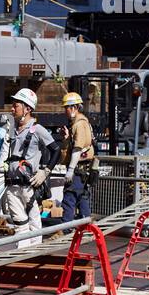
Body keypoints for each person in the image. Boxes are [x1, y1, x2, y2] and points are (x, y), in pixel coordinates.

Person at [2, 88, 54, 242]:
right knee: (19, 225)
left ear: (28, 109)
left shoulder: (37, 130)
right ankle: (22, 256)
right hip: (12, 185)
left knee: (34, 225)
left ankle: (34, 255)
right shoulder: (13, 130)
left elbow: (55, 150)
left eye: (15, 105)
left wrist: (45, 172)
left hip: (28, 186)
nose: (12, 109)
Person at [54, 91, 95, 225]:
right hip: (83, 169)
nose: (65, 110)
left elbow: (77, 149)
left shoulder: (79, 124)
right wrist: (66, 138)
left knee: (69, 197)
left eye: (67, 107)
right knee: (81, 197)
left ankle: (65, 230)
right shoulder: (79, 123)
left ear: (75, 107)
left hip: (78, 169)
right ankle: (87, 226)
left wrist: (70, 170)